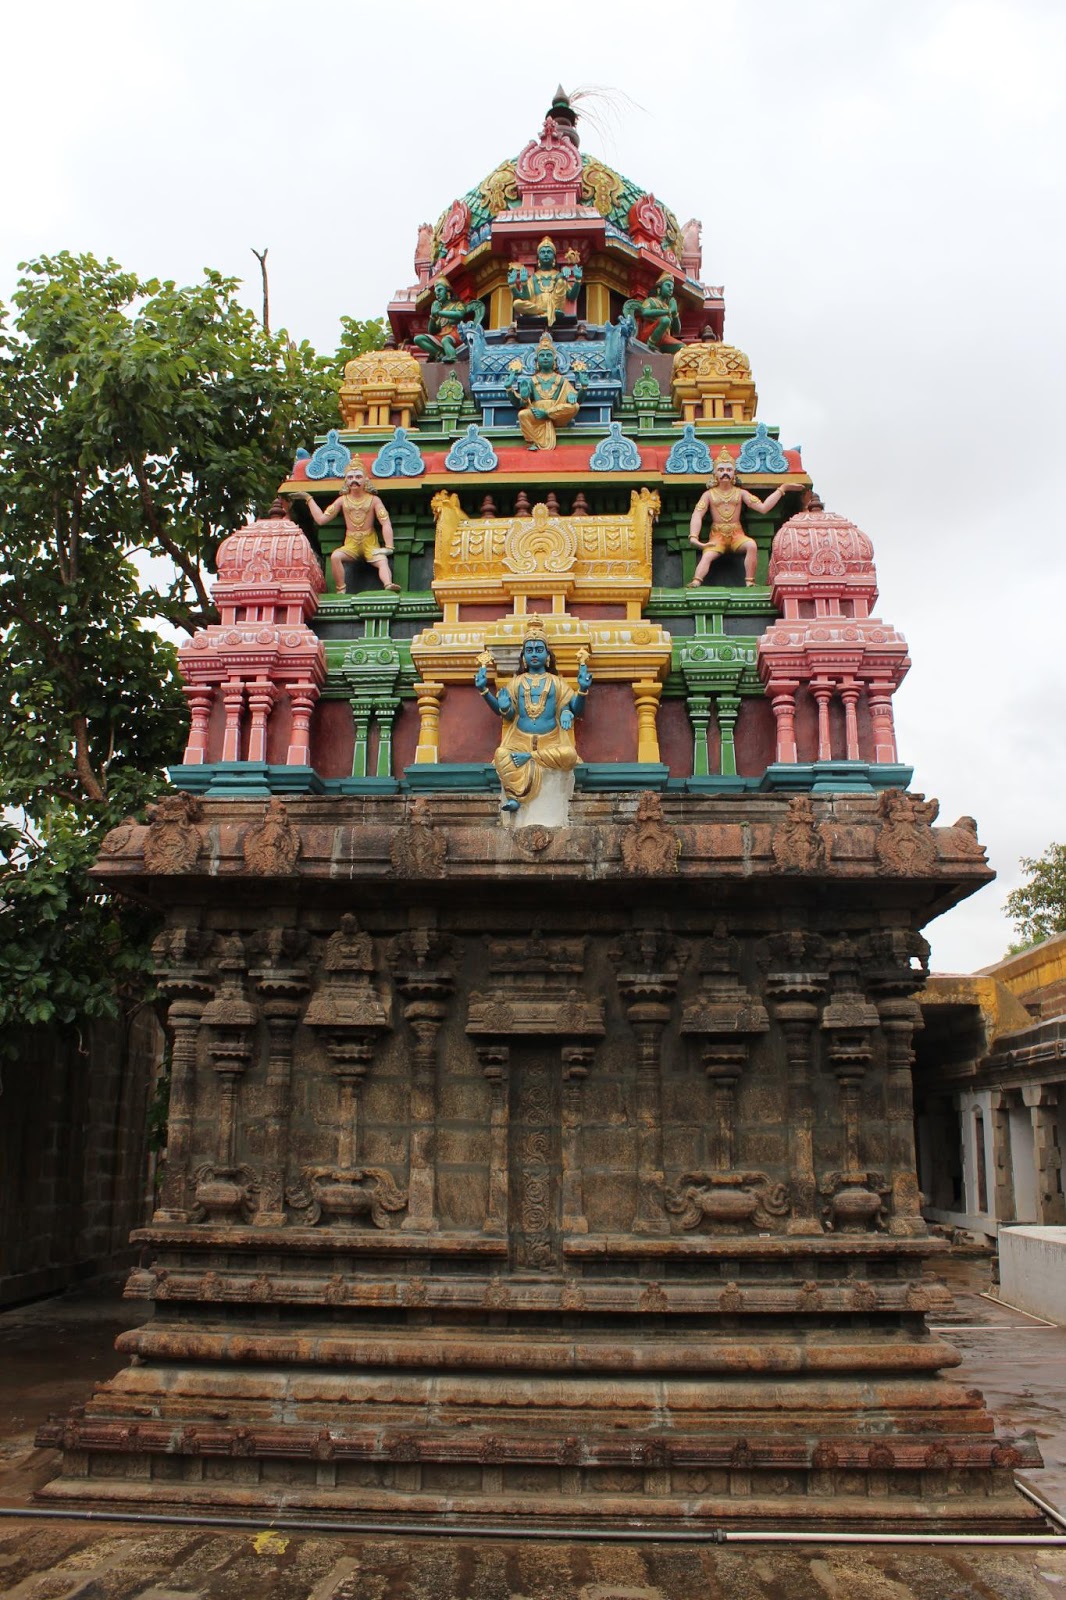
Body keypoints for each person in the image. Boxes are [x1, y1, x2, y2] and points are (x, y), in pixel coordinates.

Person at [475, 625, 592, 811]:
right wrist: (484, 691)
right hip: (519, 740)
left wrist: (583, 690)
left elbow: (572, 708)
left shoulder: (556, 682)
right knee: (501, 755)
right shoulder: (516, 683)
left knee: (569, 756)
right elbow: (506, 713)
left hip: (551, 741)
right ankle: (514, 797)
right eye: (529, 650)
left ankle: (530, 757)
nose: (534, 654)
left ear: (547, 656)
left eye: (539, 650)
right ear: (523, 657)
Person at [687, 447, 802, 587]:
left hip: (737, 534)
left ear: (734, 473)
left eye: (728, 470)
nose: (725, 473)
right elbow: (697, 514)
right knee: (707, 555)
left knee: (751, 545)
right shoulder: (708, 494)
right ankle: (696, 581)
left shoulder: (740, 493)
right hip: (717, 536)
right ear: (715, 473)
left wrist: (781, 489)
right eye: (721, 470)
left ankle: (750, 581)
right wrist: (693, 536)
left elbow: (763, 508)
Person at [292, 464, 400, 593]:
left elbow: (385, 522)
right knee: (335, 556)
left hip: (370, 543)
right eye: (350, 477)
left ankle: (388, 584)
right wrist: (308, 498)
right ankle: (340, 588)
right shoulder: (342, 500)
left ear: (366, 480)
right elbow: (321, 520)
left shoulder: (374, 500)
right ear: (346, 481)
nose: (354, 480)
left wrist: (389, 547)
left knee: (382, 560)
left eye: (358, 477)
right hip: (351, 544)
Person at [509, 335, 586, 451]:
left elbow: (576, 400)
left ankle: (548, 414)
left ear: (554, 361)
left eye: (549, 355)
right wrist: (512, 390)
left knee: (574, 406)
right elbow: (519, 404)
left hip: (556, 413)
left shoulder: (561, 380)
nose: (545, 358)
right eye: (542, 355)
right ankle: (532, 440)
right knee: (522, 415)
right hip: (536, 414)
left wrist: (583, 388)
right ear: (537, 361)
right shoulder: (532, 380)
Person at [508, 237, 582, 326]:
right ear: (538, 258)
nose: (546, 254)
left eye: (549, 252)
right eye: (543, 252)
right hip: (537, 307)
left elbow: (572, 296)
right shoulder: (533, 277)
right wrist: (516, 284)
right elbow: (526, 297)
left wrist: (577, 280)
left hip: (555, 304)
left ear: (554, 258)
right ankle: (545, 311)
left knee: (561, 282)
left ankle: (552, 311)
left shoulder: (559, 275)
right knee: (517, 303)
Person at [412, 279, 484, 361]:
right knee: (418, 339)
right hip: (441, 336)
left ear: (448, 292)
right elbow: (432, 331)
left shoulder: (457, 305)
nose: (437, 294)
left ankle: (452, 358)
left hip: (456, 334)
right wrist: (433, 316)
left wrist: (439, 313)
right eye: (436, 293)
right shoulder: (439, 310)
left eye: (440, 290)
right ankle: (439, 355)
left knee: (446, 340)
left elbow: (459, 315)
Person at [624, 274, 683, 351]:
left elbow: (677, 330)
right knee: (665, 320)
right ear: (659, 288)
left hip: (664, 338)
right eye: (668, 285)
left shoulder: (668, 307)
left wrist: (675, 313)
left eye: (672, 288)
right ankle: (651, 343)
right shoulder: (651, 301)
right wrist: (668, 311)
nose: (670, 289)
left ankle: (657, 346)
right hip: (649, 334)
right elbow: (645, 312)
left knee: (683, 349)